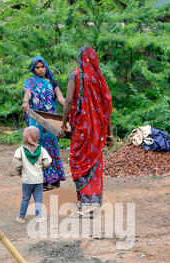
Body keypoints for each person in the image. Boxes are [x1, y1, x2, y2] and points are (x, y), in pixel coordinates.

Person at [61, 47, 113, 216]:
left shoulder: (75, 75)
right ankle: (93, 202)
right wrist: (109, 132)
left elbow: (68, 101)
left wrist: (63, 123)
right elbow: (106, 107)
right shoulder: (99, 78)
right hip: (97, 129)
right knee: (95, 162)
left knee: (78, 161)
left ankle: (85, 202)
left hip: (81, 128)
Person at [22, 56, 66, 191]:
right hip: (36, 119)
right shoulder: (30, 82)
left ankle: (53, 180)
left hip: (50, 120)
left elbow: (60, 98)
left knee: (51, 148)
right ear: (33, 69)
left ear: (46, 67)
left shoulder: (52, 82)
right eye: (37, 67)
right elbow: (28, 94)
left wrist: (71, 107)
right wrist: (25, 102)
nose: (41, 70)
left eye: (42, 67)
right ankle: (41, 181)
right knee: (38, 148)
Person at [13, 126, 52, 223]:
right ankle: (39, 217)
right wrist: (42, 166)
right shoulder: (41, 150)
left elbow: (16, 162)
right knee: (38, 199)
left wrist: (19, 171)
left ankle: (21, 217)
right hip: (38, 179)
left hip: (26, 180)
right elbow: (48, 161)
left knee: (25, 198)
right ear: (37, 137)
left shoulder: (20, 150)